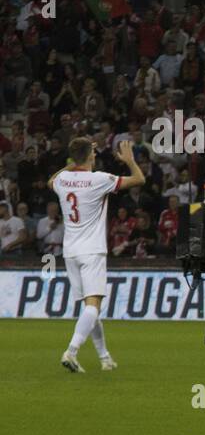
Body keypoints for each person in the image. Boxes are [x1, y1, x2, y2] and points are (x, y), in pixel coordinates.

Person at [52, 136, 145, 372]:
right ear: (91, 155)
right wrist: (130, 160)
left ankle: (105, 358)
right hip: (92, 251)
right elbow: (139, 179)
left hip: (70, 251)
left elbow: (50, 180)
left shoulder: (63, 179)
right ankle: (71, 351)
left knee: (89, 309)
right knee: (94, 306)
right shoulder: (99, 179)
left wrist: (73, 162)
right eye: (93, 153)